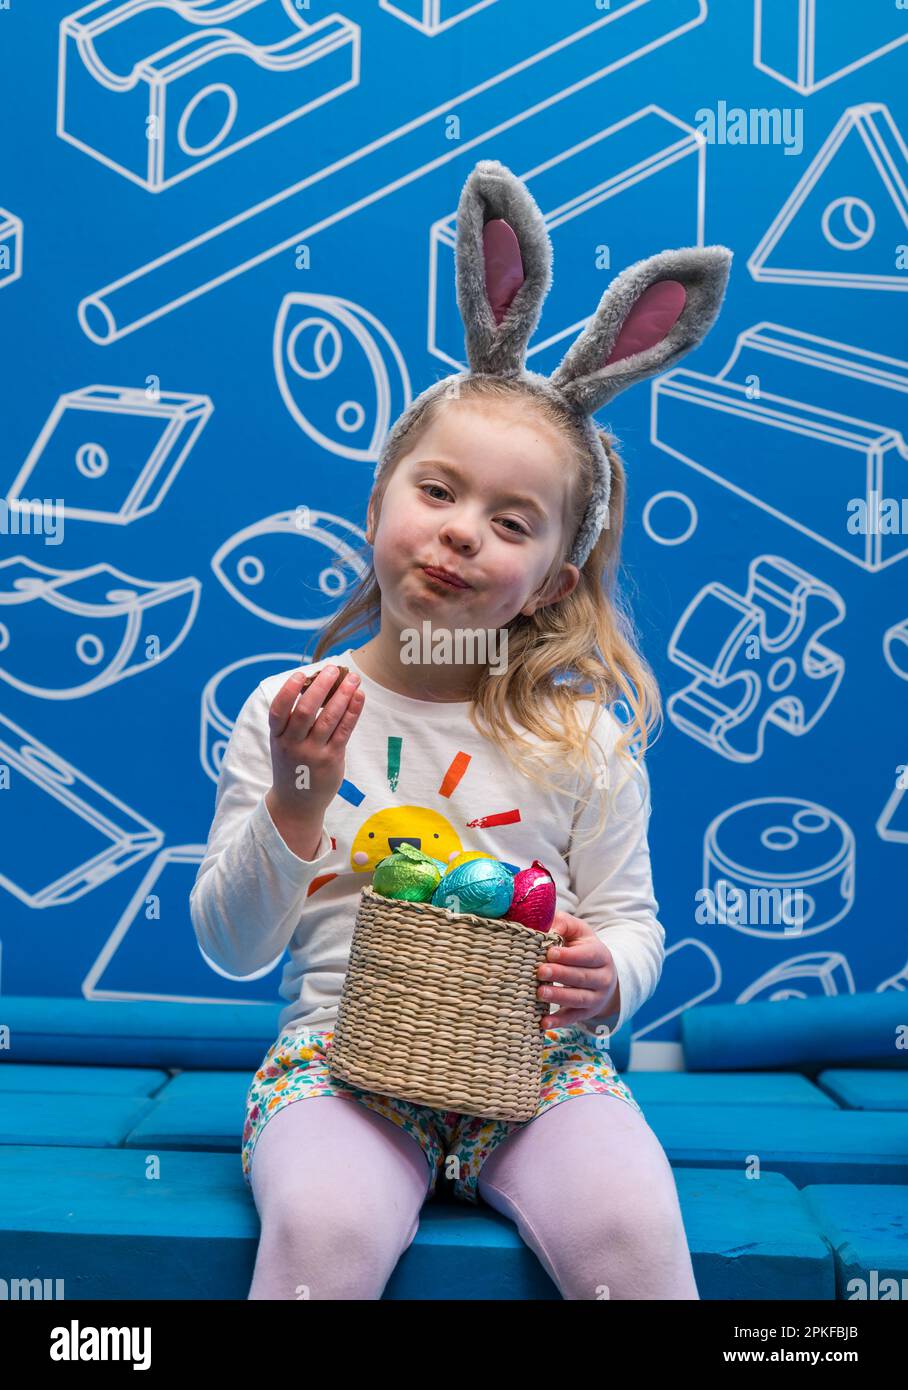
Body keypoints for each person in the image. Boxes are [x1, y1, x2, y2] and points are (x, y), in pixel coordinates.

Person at [190, 160, 732, 1299]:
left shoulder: (579, 738)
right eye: (435, 492)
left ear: (547, 580)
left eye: (509, 520)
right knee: (323, 1234)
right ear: (379, 496)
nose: (459, 535)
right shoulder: (287, 714)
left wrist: (610, 976)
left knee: (633, 1230)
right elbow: (230, 947)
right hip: (339, 1062)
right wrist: (296, 799)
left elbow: (632, 921)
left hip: (542, 1065)